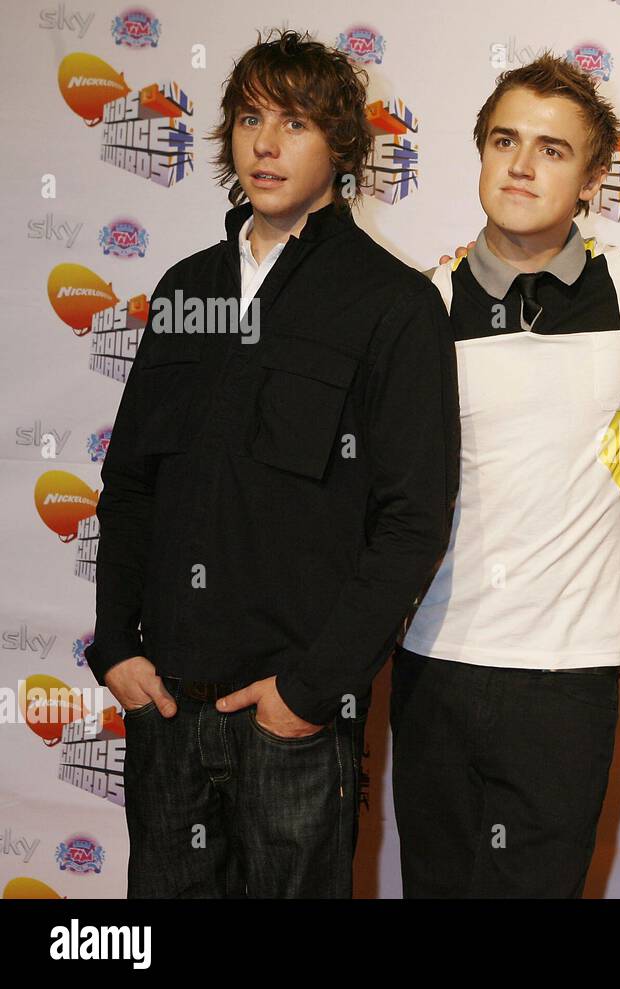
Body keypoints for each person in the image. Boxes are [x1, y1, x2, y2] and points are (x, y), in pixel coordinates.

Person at [85, 29, 459, 898]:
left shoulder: (392, 304)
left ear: (343, 146)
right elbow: (132, 481)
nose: (265, 142)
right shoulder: (185, 289)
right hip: (165, 705)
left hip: (290, 714)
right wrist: (113, 644)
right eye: (250, 118)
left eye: (294, 123)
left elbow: (410, 522)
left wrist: (310, 690)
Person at [392, 54, 620, 898]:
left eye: (551, 149)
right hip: (435, 658)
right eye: (504, 140)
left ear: (591, 179)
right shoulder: (422, 301)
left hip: (568, 672)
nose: (520, 164)